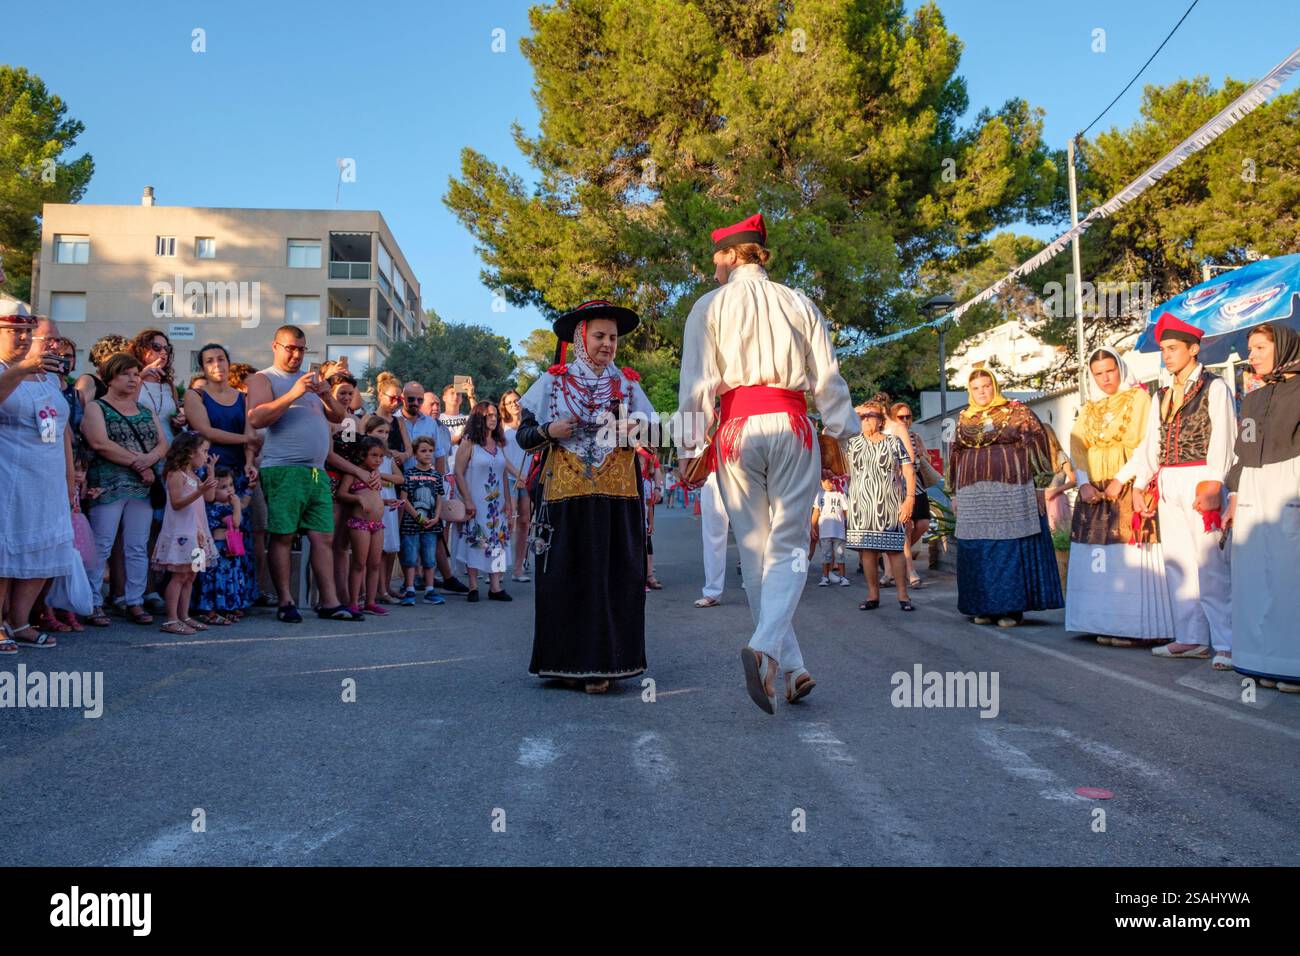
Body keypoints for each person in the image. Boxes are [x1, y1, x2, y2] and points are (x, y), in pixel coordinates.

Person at [677, 213, 858, 713]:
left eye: (717, 255)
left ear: (733, 255)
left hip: (735, 431)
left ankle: (779, 659)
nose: (713, 264)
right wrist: (840, 432)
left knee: (757, 551)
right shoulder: (799, 302)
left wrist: (691, 447)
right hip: (793, 425)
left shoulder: (708, 307)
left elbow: (695, 384)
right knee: (790, 546)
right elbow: (828, 375)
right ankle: (780, 658)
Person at [517, 300, 654, 692]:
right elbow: (524, 438)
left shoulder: (628, 385)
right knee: (565, 573)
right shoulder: (552, 383)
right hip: (565, 495)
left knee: (614, 574)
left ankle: (606, 665)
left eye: (612, 337)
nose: (607, 344)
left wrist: (636, 429)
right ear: (581, 338)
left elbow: (654, 432)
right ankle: (563, 662)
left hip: (618, 495)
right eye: (599, 336)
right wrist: (550, 432)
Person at [1110, 314, 1236, 668]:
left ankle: (1226, 642)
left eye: (1173, 349)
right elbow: (1151, 445)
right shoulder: (1160, 394)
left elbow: (1225, 438)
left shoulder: (1215, 387)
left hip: (1201, 477)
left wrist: (1215, 482)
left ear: (1193, 350)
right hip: (1168, 481)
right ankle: (1191, 638)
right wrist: (1139, 484)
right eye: (1163, 349)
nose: (1166, 356)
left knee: (1210, 564)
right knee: (1178, 563)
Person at [246, 325, 362, 623]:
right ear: (275, 346)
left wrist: (325, 395)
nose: (297, 354)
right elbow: (257, 417)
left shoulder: (311, 380)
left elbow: (340, 417)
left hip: (316, 472)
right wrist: (292, 395)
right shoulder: (264, 378)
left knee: (323, 537)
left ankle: (330, 602)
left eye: (301, 348)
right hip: (283, 468)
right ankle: (285, 600)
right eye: (290, 348)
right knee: (282, 536)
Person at [1066, 348, 1174, 646]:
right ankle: (1103, 621)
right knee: (1099, 556)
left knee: (1130, 553)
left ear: (1120, 369)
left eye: (1110, 370)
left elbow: (1146, 443)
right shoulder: (1089, 408)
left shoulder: (1139, 398)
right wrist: (1085, 484)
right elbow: (1078, 448)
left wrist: (1120, 479)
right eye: (1098, 373)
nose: (1105, 378)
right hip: (1095, 490)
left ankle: (1135, 627)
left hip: (1128, 484)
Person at [949, 368, 1063, 627]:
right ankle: (983, 606)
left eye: (986, 386)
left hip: (1011, 489)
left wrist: (1040, 486)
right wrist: (954, 492)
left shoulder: (1016, 411)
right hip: (972, 494)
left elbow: (1038, 442)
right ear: (970, 391)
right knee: (976, 548)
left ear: (995, 386)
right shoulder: (963, 418)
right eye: (976, 388)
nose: (982, 392)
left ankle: (1010, 609)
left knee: (1008, 545)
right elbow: (954, 454)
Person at [1225, 323, 1300, 692]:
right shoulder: (1253, 399)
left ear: (1282, 347)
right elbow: (1243, 452)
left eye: (1258, 348)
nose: (1250, 356)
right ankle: (1260, 659)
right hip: (1255, 484)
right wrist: (1234, 497)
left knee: (1290, 575)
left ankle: (1293, 663)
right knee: (1254, 575)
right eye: (1249, 349)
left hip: (1291, 481)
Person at [0, 299, 77, 650]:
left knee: (43, 549)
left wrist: (69, 480)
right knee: (6, 552)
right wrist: (20, 368)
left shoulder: (50, 377)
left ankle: (19, 622)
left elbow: (62, 431)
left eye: (28, 331)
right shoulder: (5, 368)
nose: (24, 338)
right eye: (16, 331)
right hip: (10, 477)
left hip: (47, 478)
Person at [82, 352, 169, 627]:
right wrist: (140, 464)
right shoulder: (97, 407)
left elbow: (163, 444)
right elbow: (99, 443)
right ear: (110, 377)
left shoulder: (145, 410)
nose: (133, 379)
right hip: (109, 485)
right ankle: (92, 601)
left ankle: (134, 601)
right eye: (126, 374)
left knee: (137, 546)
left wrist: (148, 462)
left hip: (141, 488)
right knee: (102, 544)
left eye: (135, 374)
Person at [846, 401, 916, 610]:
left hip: (890, 503)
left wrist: (910, 499)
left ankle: (903, 596)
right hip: (861, 504)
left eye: (871, 415)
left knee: (894, 549)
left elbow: (908, 471)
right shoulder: (851, 444)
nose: (866, 419)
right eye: (862, 416)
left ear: (881, 420)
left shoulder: (894, 442)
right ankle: (872, 595)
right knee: (868, 551)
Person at [151, 432, 219, 635]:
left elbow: (210, 497)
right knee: (179, 575)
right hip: (183, 535)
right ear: (190, 452)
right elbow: (176, 503)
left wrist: (211, 472)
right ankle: (171, 619)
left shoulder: (195, 476)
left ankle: (184, 615)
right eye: (204, 451)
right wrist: (198, 491)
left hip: (198, 535)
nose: (206, 456)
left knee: (191, 576)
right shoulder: (176, 474)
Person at [453, 400, 515, 602]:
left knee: (498, 541)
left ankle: (495, 586)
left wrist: (508, 501)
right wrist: (468, 500)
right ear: (479, 417)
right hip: (477, 501)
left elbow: (503, 473)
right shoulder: (469, 442)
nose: (493, 419)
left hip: (496, 503)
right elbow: (458, 472)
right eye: (489, 415)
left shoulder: (498, 443)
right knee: (476, 539)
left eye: (495, 415)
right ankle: (473, 586)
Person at [336, 435, 390, 616]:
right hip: (360, 524)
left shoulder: (376, 475)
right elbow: (342, 494)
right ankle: (353, 602)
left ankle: (370, 601)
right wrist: (358, 498)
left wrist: (387, 502)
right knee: (359, 563)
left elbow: (375, 496)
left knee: (375, 564)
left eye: (381, 456)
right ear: (362, 455)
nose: (378, 460)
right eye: (374, 455)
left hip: (377, 524)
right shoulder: (353, 473)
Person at [194, 466, 255, 625]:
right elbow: (236, 522)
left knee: (229, 578)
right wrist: (236, 506)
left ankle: (226, 607)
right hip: (219, 549)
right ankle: (210, 611)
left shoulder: (227, 504)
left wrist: (248, 490)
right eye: (223, 487)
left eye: (231, 485)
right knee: (215, 579)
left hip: (229, 549)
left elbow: (244, 504)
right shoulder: (216, 508)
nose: (229, 490)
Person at [891, 402, 941, 588]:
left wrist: (921, 454)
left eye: (908, 417)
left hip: (918, 486)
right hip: (900, 488)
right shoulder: (891, 437)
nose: (905, 420)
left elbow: (925, 460)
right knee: (906, 527)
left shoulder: (915, 436)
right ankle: (910, 570)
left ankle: (896, 556)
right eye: (901, 417)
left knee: (923, 524)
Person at [398, 436, 446, 605]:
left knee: (429, 557)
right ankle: (410, 588)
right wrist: (417, 516)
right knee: (410, 557)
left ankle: (430, 589)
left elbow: (440, 497)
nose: (427, 454)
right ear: (415, 454)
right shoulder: (409, 474)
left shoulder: (436, 476)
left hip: (431, 525)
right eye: (423, 451)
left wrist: (437, 516)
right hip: (411, 524)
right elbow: (404, 499)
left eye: (431, 451)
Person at [500, 389, 534, 583]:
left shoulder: (529, 426)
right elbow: (501, 456)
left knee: (524, 522)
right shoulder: (502, 428)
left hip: (528, 478)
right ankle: (497, 568)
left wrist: (527, 476)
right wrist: (517, 474)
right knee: (507, 522)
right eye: (509, 402)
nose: (514, 404)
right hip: (510, 478)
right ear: (504, 406)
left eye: (517, 400)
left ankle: (518, 568)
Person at [694, 466, 730, 608]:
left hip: (748, 462)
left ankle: (757, 583)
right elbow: (689, 443)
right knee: (713, 533)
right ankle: (712, 591)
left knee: (753, 531)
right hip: (713, 467)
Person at [812, 476, 851, 587]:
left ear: (835, 481)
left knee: (840, 555)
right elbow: (816, 512)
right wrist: (812, 526)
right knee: (825, 556)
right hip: (825, 532)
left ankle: (843, 577)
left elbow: (846, 511)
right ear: (821, 482)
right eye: (824, 481)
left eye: (830, 481)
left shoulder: (840, 494)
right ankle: (825, 577)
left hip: (838, 532)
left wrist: (848, 525)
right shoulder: (819, 495)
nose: (827, 484)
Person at [637, 443, 664, 590]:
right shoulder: (627, 444)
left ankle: (648, 575)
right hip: (629, 492)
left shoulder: (649, 449)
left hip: (646, 493)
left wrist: (658, 488)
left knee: (647, 535)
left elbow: (657, 470)